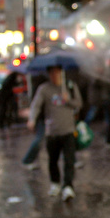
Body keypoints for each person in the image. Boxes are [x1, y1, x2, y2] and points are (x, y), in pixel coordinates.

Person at [27, 65, 81, 201]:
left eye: (57, 73)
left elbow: (79, 104)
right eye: (52, 73)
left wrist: (68, 100)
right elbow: (36, 105)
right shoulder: (44, 89)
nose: (55, 75)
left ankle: (68, 185)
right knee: (53, 160)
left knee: (69, 160)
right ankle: (55, 183)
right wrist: (32, 119)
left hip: (68, 130)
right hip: (52, 131)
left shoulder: (69, 86)